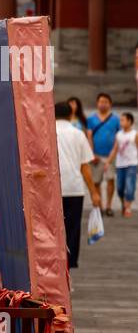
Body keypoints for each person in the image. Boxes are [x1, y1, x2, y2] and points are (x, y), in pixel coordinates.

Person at [55, 100, 101, 269]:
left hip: (52, 190)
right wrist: (94, 192)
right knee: (72, 230)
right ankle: (68, 267)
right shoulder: (78, 134)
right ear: (71, 114)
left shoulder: (45, 132)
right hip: (74, 189)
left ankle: (54, 268)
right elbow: (85, 167)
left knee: (53, 230)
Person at [86, 92, 120, 217]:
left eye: (105, 102)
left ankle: (109, 206)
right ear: (97, 103)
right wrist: (92, 153)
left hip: (110, 155)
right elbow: (89, 137)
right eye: (101, 101)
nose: (103, 104)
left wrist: (113, 154)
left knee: (111, 179)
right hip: (96, 155)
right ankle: (99, 206)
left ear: (110, 104)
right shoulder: (91, 119)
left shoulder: (116, 119)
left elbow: (118, 137)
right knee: (96, 182)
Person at [111, 111, 138, 218]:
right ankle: (123, 203)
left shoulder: (135, 134)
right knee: (120, 188)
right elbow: (115, 149)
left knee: (130, 186)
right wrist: (108, 162)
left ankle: (128, 207)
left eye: (123, 120)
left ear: (130, 121)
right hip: (120, 164)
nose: (121, 122)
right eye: (120, 120)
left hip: (132, 163)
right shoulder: (118, 134)